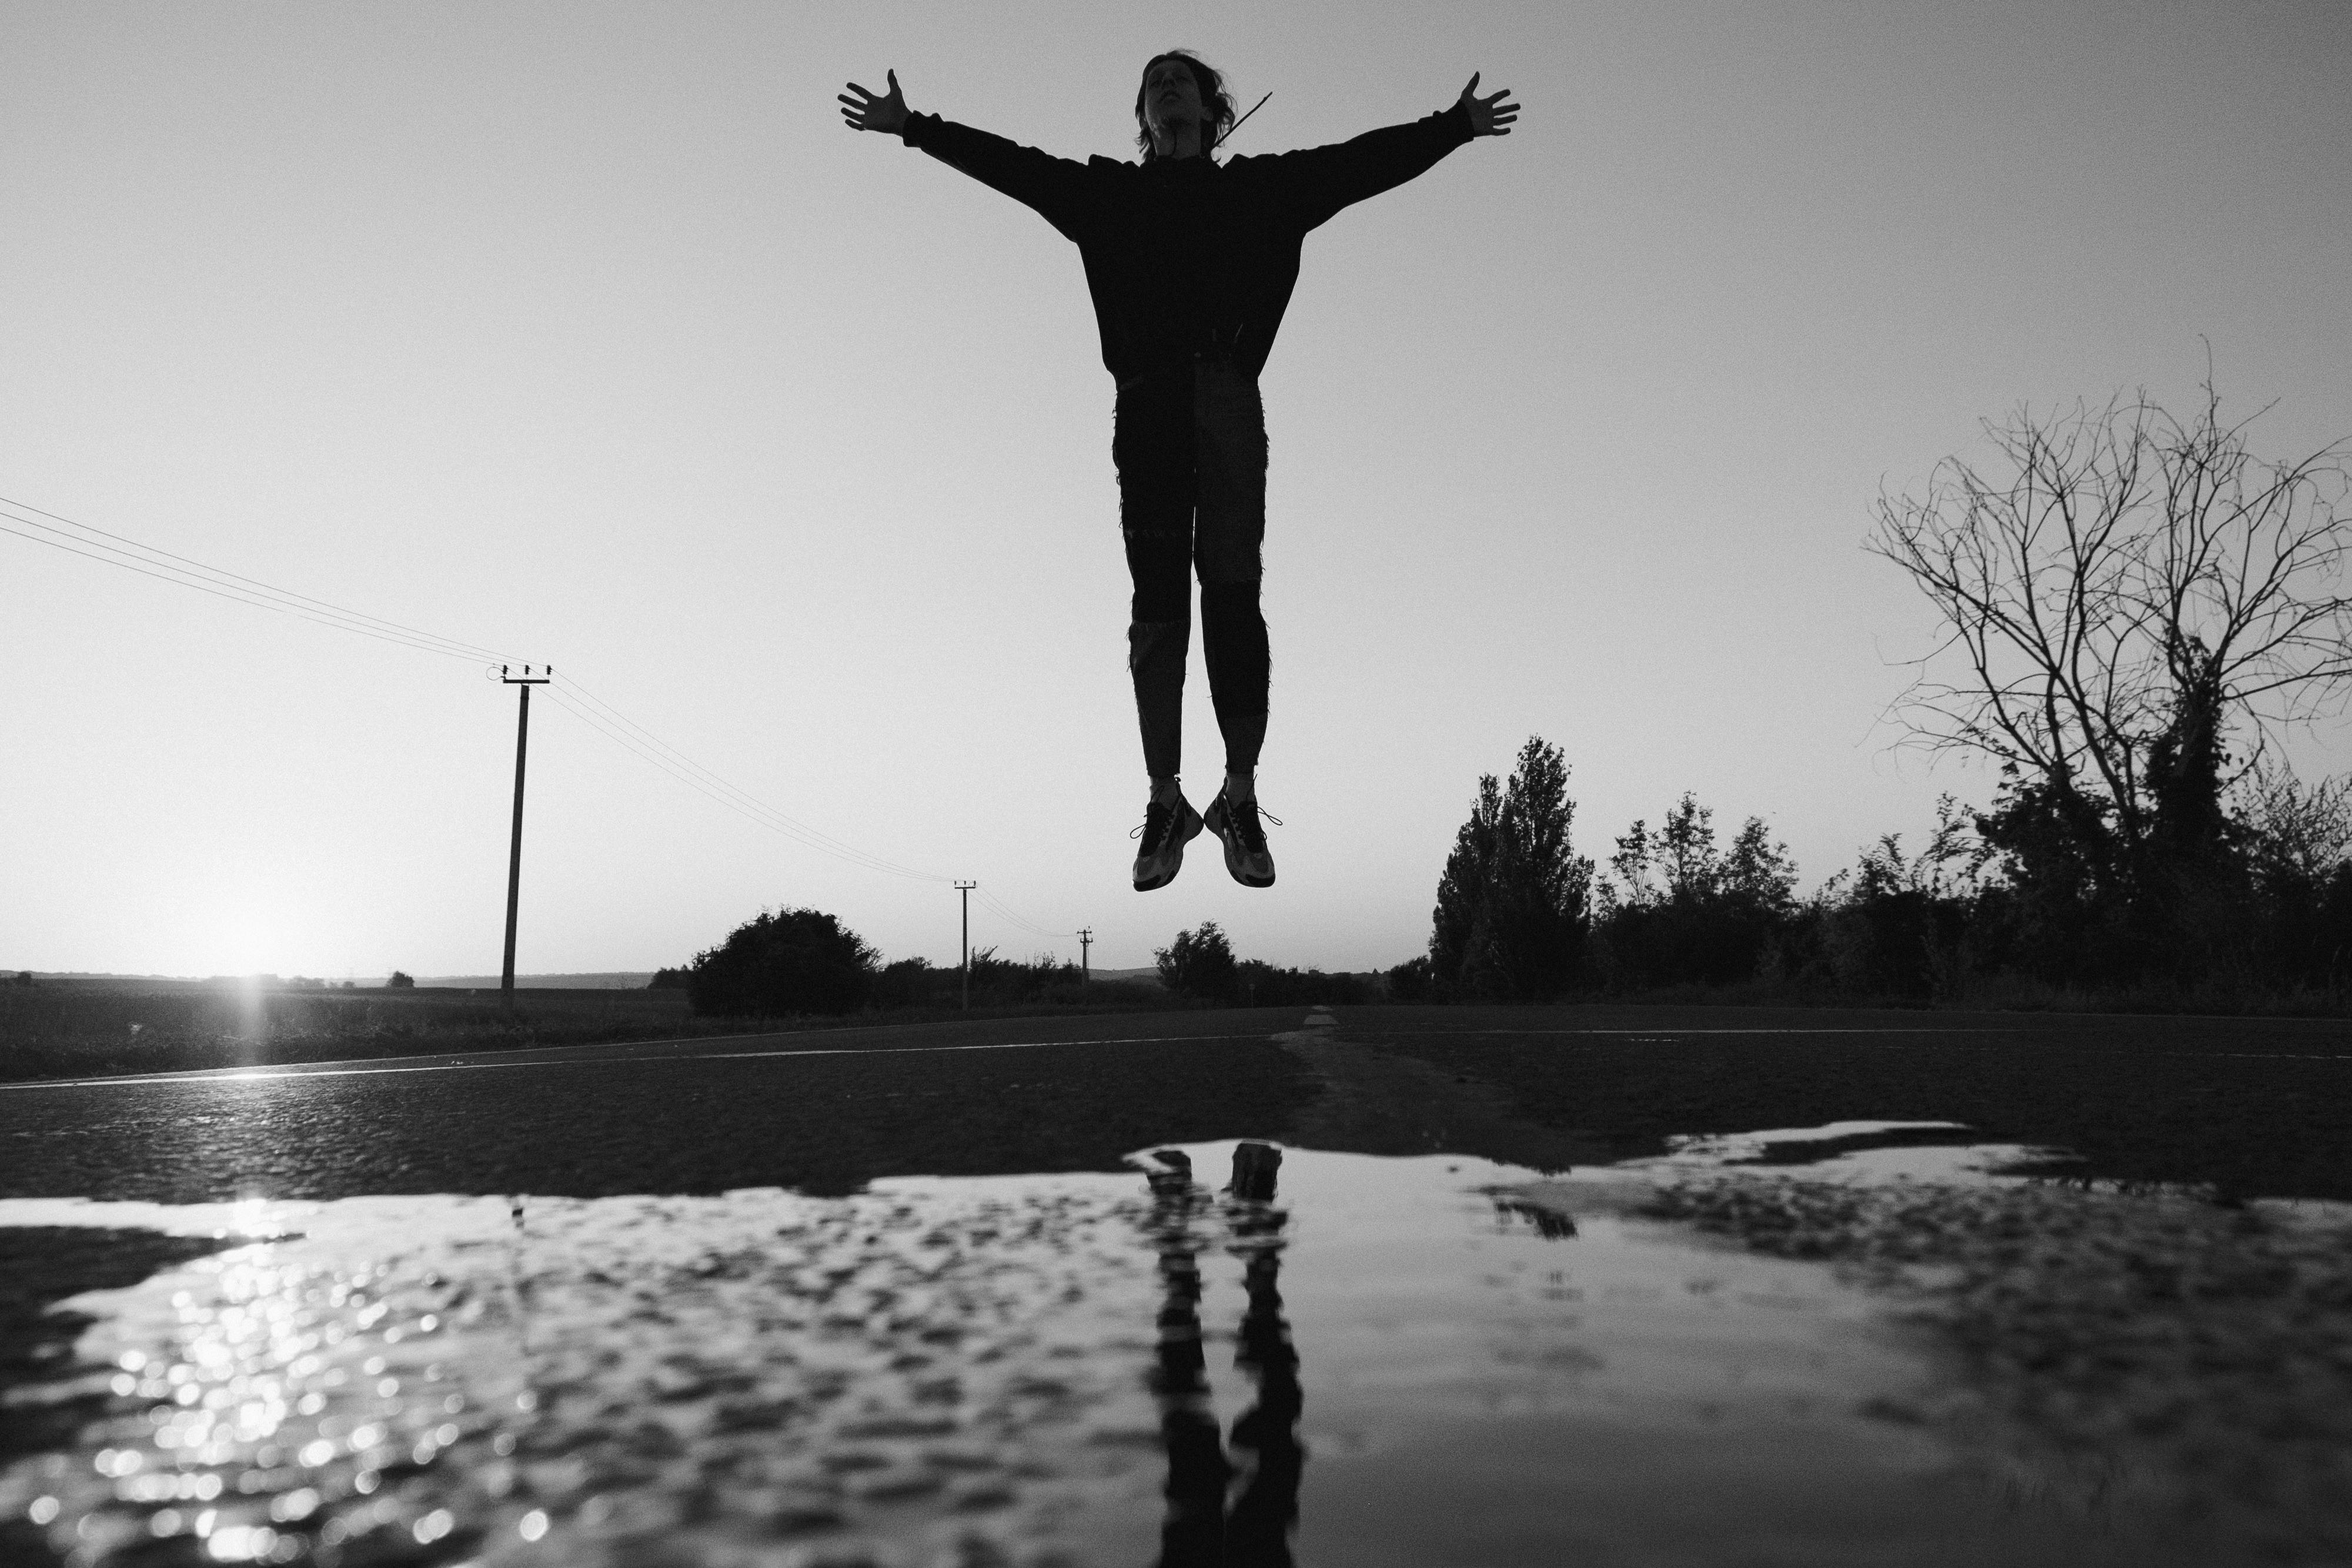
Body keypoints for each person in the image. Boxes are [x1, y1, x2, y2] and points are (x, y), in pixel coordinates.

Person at [840, 53, 1519, 892]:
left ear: (1210, 108)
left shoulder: (1261, 191)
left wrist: (1453, 127)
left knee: (1233, 591)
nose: (1166, 86)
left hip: (1228, 399)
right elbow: (1015, 168)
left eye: (1181, 79)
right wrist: (914, 128)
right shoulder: (1107, 197)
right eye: (1153, 81)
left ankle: (1238, 796)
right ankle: (1166, 799)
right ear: (1143, 115)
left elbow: (1359, 164)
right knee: (1157, 605)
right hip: (1148, 408)